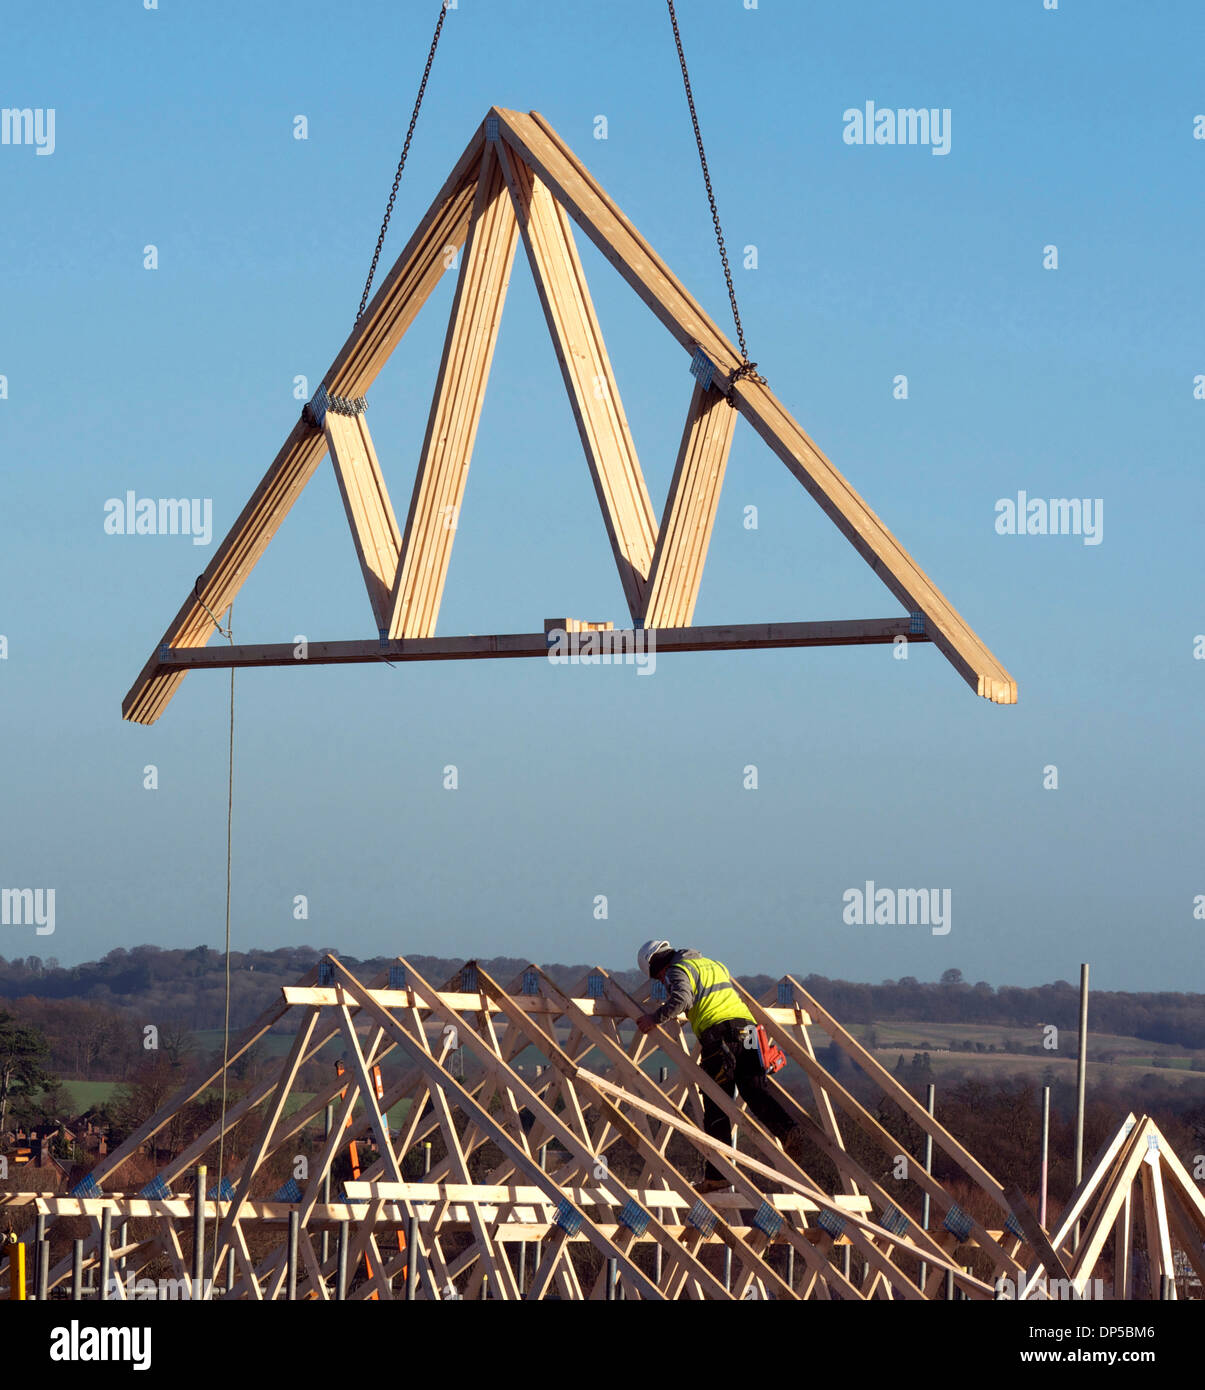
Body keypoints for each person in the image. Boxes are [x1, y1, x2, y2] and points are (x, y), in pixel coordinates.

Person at [635, 939, 807, 1192]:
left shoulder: (677, 970)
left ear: (657, 965)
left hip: (719, 1034)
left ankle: (719, 1174)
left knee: (717, 1103)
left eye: (659, 978)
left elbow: (681, 999)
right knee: (753, 1089)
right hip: (748, 1030)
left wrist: (654, 1018)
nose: (662, 982)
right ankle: (788, 1130)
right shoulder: (713, 965)